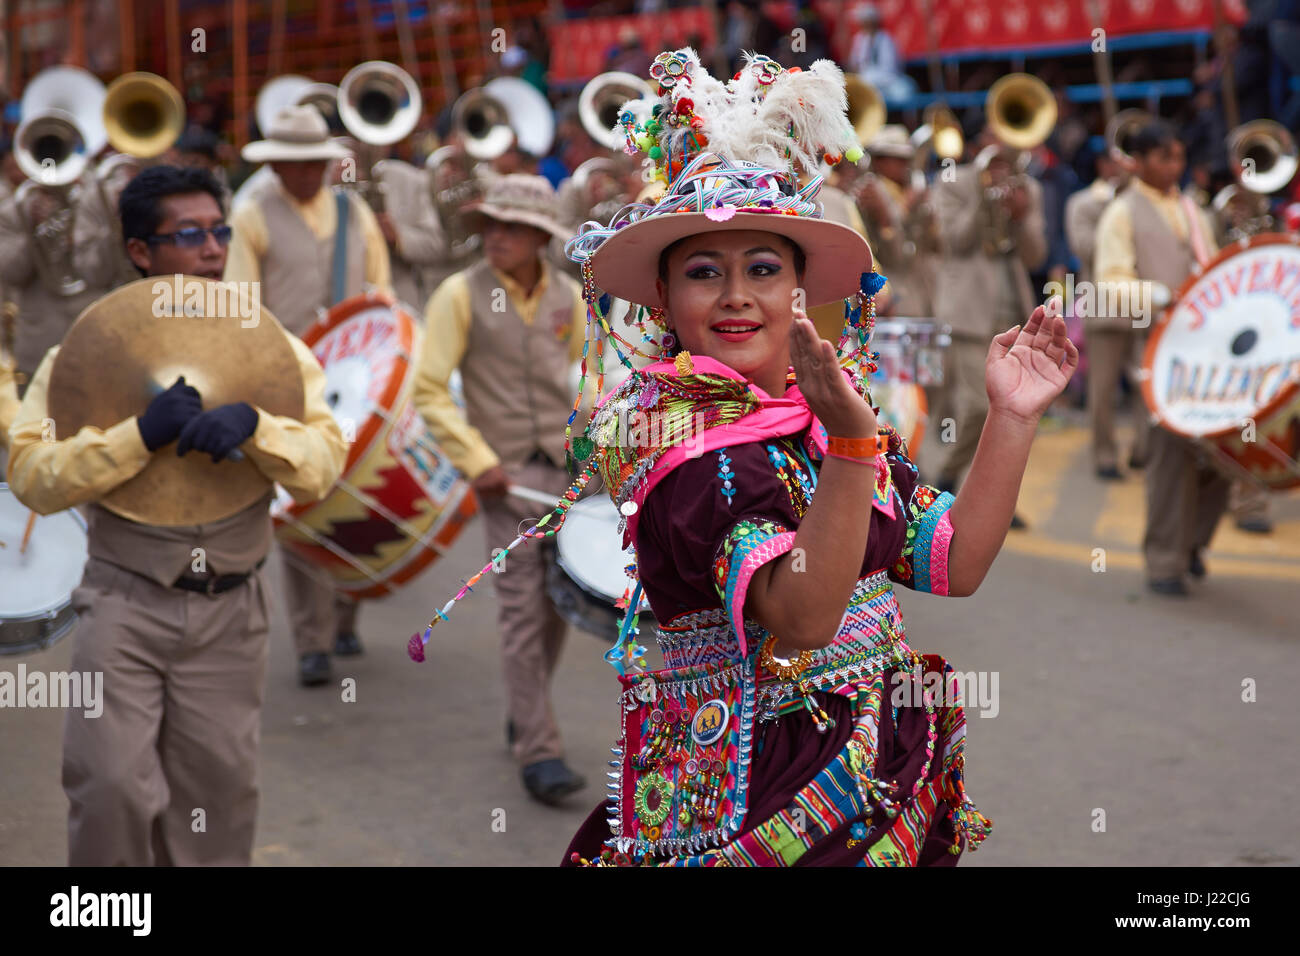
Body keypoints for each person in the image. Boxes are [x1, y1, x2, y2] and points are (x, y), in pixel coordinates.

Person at [423, 48, 1077, 866]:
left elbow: (956, 561)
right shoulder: (683, 449)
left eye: (763, 268)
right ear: (664, 299)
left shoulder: (821, 412)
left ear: (801, 290)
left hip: (873, 773)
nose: (737, 293)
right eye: (705, 272)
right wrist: (848, 447)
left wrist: (1010, 418)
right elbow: (802, 622)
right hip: (758, 790)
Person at [5, 164, 347, 865]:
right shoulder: (86, 345)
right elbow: (34, 479)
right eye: (188, 234)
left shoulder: (269, 339)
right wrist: (138, 435)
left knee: (213, 813)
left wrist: (258, 427)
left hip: (231, 608)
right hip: (124, 602)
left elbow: (321, 467)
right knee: (109, 792)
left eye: (218, 231)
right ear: (140, 252)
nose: (214, 249)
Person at [411, 173, 591, 805]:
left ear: (541, 236)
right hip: (504, 475)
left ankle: (527, 707)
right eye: (491, 224)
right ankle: (539, 750)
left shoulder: (569, 295)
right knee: (519, 608)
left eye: (512, 227)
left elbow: (583, 380)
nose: (496, 237)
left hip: (568, 476)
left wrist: (596, 450)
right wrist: (477, 460)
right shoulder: (458, 295)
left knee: (561, 603)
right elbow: (429, 390)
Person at [224, 104, 392, 685]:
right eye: (292, 163)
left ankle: (347, 613)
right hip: (285, 382)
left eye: (313, 162)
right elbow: (240, 307)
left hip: (360, 380)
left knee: (358, 495)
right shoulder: (251, 214)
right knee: (303, 502)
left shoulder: (354, 210)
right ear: (276, 164)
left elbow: (382, 294)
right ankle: (312, 640)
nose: (305, 172)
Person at [1094, 120, 1225, 596]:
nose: (1176, 165)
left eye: (1179, 156)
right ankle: (1164, 561)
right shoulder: (1121, 212)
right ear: (1141, 161)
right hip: (1159, 350)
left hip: (1207, 350)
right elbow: (1109, 285)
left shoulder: (1193, 208)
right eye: (1165, 157)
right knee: (1170, 456)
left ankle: (1192, 543)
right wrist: (1165, 296)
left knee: (1220, 454)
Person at [930, 130, 1047, 528]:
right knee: (978, 406)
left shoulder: (1026, 186)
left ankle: (993, 496)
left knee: (1010, 413)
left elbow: (1035, 255)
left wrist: (1022, 214)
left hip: (1012, 311)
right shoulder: (953, 182)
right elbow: (954, 242)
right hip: (967, 315)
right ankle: (946, 475)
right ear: (980, 145)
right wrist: (984, 197)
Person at [1065, 148, 1134, 480]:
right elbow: (1086, 248)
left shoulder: (1138, 201)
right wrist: (1115, 213)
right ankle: (1105, 456)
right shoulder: (1083, 203)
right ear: (1103, 164)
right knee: (1103, 386)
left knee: (1145, 381)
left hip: (1143, 300)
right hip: (1103, 303)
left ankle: (1143, 452)